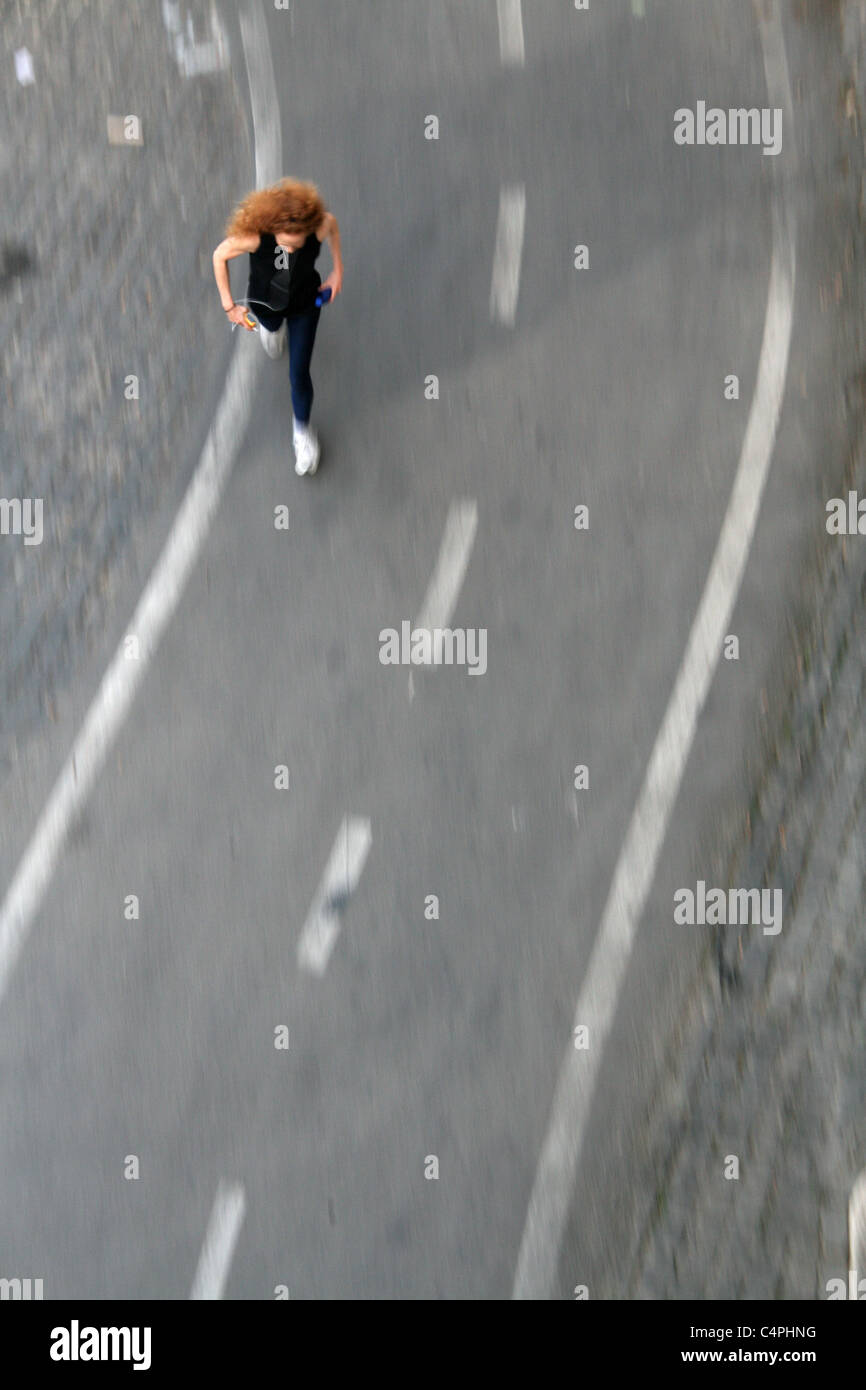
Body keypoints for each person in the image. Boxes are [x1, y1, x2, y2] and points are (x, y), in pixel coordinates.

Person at [212, 178, 343, 475]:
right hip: (265, 305)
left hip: (305, 307)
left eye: (296, 243)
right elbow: (219, 255)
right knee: (270, 328)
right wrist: (229, 306)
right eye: (284, 240)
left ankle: (302, 433)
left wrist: (337, 270)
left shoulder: (318, 227)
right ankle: (273, 330)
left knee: (298, 372)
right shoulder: (258, 238)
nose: (288, 247)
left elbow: (332, 226)